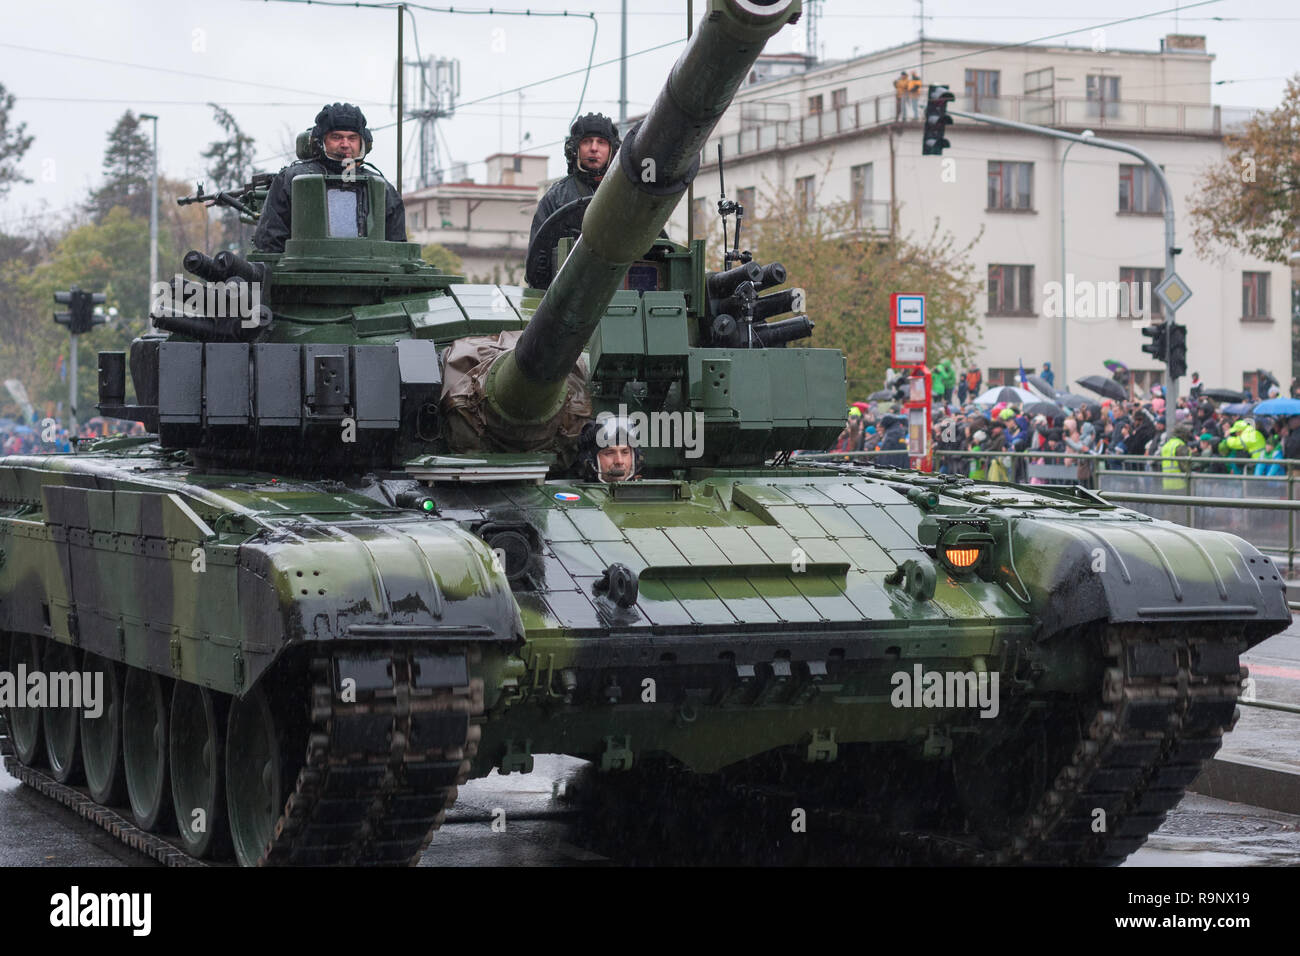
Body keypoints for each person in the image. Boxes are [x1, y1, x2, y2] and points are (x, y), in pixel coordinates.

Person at [253, 103, 406, 253]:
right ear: (320, 141)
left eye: (352, 138)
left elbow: (397, 248)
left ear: (363, 143)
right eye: (336, 137)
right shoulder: (293, 179)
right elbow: (270, 242)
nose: (345, 144)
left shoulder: (381, 188)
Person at [528, 113, 621, 271]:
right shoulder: (556, 198)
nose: (593, 148)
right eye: (586, 142)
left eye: (601, 142)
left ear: (612, 150)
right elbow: (537, 262)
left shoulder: (627, 196)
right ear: (574, 149)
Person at [577, 415, 642, 483]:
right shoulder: (573, 493)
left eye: (625, 452)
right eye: (610, 453)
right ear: (591, 461)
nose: (619, 461)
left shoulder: (647, 492)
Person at [1159, 423, 1193, 490]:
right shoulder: (1180, 445)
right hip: (1180, 484)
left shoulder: (1167, 445)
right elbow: (1185, 467)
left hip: (1167, 484)